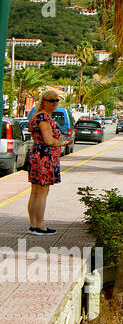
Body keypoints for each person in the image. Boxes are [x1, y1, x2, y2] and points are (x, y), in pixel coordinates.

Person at [27, 89, 65, 235]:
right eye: (52, 101)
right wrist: (63, 142)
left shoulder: (37, 116)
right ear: (44, 101)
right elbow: (49, 140)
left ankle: (33, 224)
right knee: (42, 192)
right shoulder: (43, 118)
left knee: (35, 192)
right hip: (44, 157)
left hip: (38, 154)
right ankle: (40, 225)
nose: (55, 103)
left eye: (57, 101)